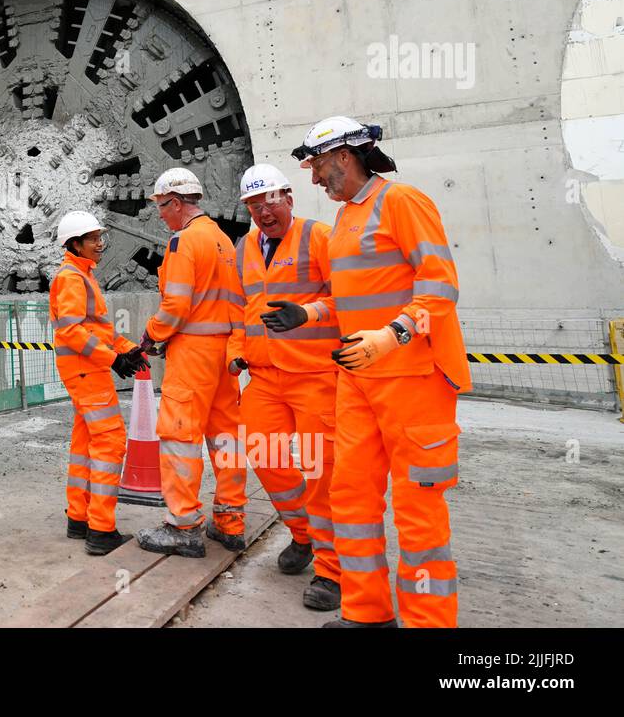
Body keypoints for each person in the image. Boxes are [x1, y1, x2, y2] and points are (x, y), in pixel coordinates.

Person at [265, 116, 468, 628]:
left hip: (414, 379)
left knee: (417, 508)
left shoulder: (402, 202)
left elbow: (440, 286)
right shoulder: (345, 221)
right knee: (350, 497)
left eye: (317, 166)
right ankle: (366, 614)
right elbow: (349, 300)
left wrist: (392, 335)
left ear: (344, 157)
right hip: (358, 380)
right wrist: (308, 313)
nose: (314, 179)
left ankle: (427, 622)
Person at [228, 163, 342, 611]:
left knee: (321, 473)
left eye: (270, 200)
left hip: (315, 376)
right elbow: (240, 307)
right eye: (254, 204)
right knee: (265, 457)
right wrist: (236, 349)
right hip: (264, 376)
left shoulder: (319, 237)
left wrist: (307, 313)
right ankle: (303, 534)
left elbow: (346, 297)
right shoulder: (244, 247)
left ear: (289, 198)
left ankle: (332, 570)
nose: (263, 211)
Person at [136, 168, 248, 558]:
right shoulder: (222, 240)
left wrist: (152, 333)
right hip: (223, 354)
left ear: (176, 203)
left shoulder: (183, 242)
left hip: (192, 354)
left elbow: (176, 306)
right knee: (226, 437)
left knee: (179, 436)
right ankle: (231, 522)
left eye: (161, 206)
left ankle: (183, 526)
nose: (160, 214)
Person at [49, 210, 147, 556]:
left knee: (86, 442)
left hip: (84, 370)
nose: (100, 243)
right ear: (75, 244)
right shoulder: (72, 277)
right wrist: (113, 359)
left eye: (99, 237)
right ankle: (101, 529)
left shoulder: (81, 275)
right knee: (110, 442)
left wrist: (128, 349)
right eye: (93, 239)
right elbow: (72, 331)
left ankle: (79, 518)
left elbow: (98, 330)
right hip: (87, 371)